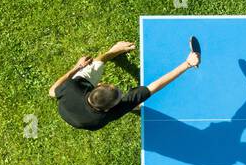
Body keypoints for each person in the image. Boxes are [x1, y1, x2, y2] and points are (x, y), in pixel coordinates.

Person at [50, 39, 199, 131]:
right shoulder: (107, 115)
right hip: (84, 120)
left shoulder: (70, 87)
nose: (122, 92)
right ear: (109, 108)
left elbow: (52, 91)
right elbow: (155, 86)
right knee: (130, 104)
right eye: (119, 96)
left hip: (73, 112)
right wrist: (187, 64)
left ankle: (114, 51)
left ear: (97, 87)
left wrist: (78, 67)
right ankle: (133, 106)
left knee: (98, 62)